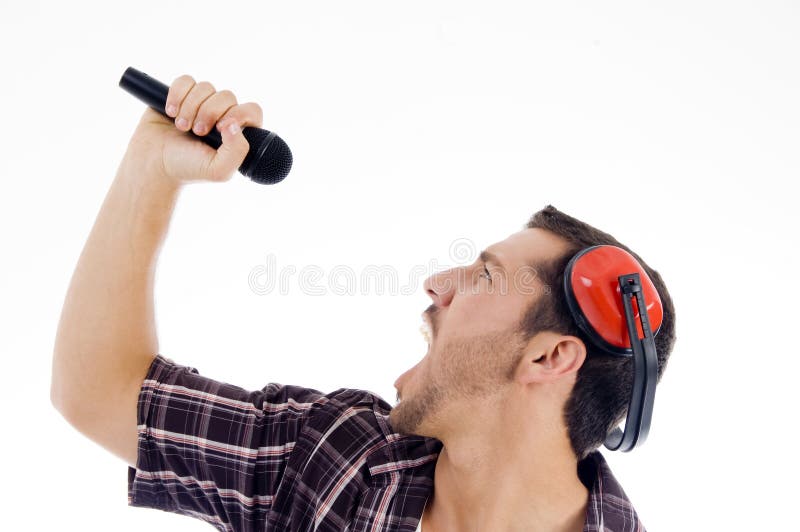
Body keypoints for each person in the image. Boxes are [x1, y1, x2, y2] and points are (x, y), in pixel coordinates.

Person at [51, 74, 676, 532]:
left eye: (485, 277)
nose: (437, 284)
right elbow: (98, 390)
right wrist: (149, 172)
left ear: (550, 358)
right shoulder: (336, 458)